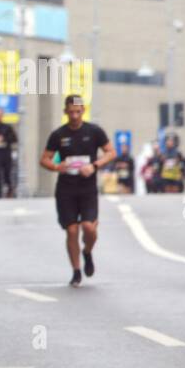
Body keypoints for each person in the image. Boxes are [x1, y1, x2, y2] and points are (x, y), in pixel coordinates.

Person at [41, 94, 114, 288]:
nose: (74, 116)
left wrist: (94, 166)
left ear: (83, 111)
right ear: (65, 111)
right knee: (72, 230)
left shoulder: (94, 131)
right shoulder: (58, 135)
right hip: (66, 189)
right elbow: (44, 159)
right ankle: (76, 271)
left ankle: (87, 251)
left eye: (78, 112)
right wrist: (57, 167)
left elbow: (110, 152)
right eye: (71, 112)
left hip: (87, 188)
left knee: (89, 227)